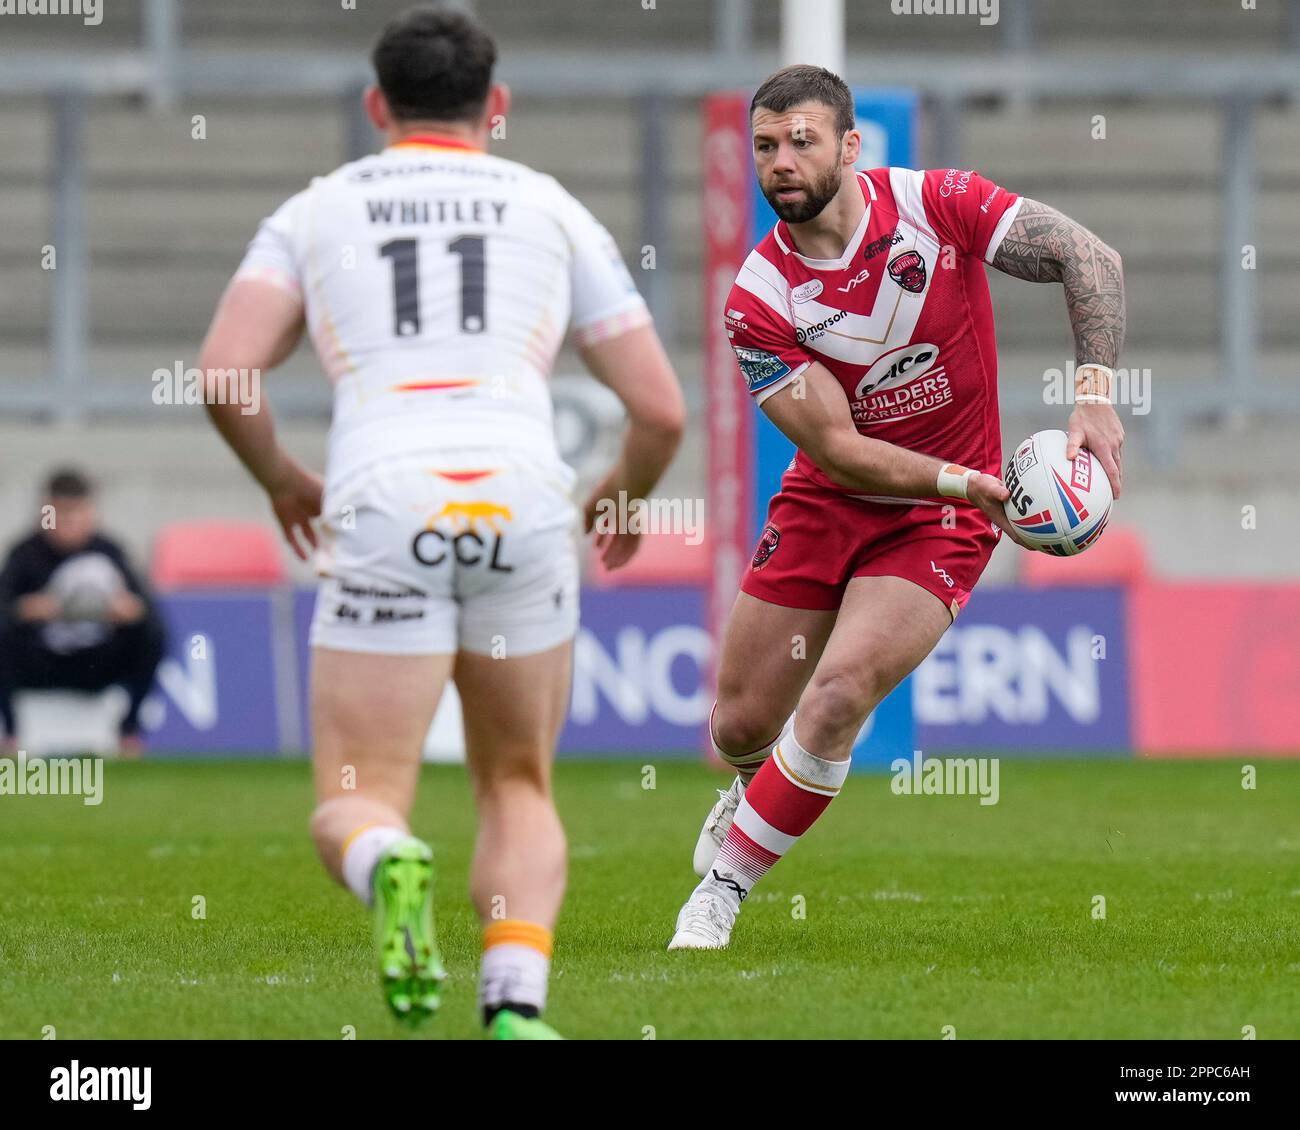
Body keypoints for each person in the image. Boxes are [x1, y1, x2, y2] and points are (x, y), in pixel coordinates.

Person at [199, 7, 684, 1038]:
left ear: (377, 105)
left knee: (358, 793)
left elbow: (225, 373)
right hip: (522, 497)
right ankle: (513, 1003)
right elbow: (661, 408)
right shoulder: (546, 206)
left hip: (385, 496)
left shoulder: (318, 209)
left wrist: (283, 477)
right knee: (517, 779)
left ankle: (387, 859)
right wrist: (624, 493)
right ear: (494, 108)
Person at [669, 64, 1125, 950]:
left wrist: (1096, 393)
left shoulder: (937, 204)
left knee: (838, 695)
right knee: (737, 724)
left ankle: (724, 887)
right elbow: (837, 450)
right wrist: (969, 482)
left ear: (850, 146)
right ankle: (750, 793)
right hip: (838, 496)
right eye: (764, 146)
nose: (780, 162)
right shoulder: (757, 300)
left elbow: (1089, 257)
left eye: (801, 140)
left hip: (942, 519)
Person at [0, 468, 165, 758]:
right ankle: (10, 734)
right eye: (60, 513)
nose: (68, 523)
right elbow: (6, 606)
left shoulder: (110, 551)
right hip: (42, 660)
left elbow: (143, 608)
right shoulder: (25, 554)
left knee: (153, 633)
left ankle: (128, 731)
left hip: (96, 660)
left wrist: (124, 609)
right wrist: (29, 609)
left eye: (76, 513)